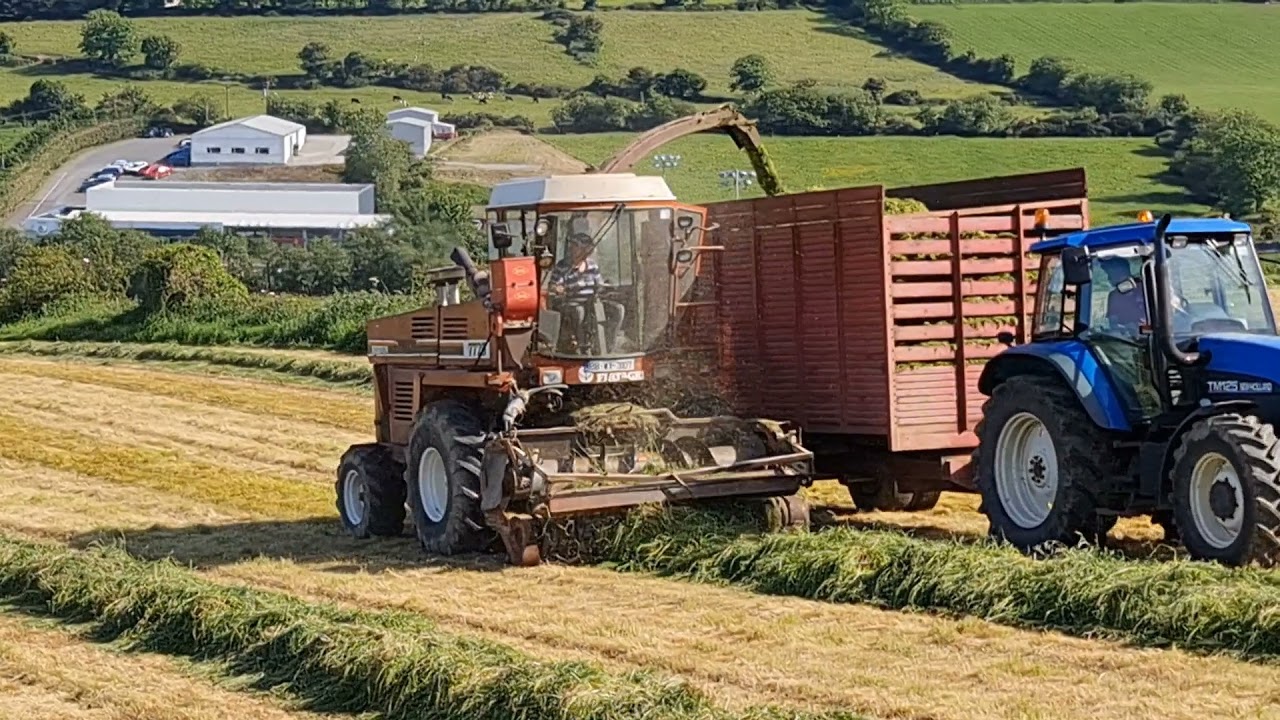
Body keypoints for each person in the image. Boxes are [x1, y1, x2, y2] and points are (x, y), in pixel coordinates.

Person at [546, 232, 625, 353]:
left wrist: (606, 288)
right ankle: (583, 347)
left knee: (618, 309)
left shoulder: (592, 266)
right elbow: (552, 285)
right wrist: (558, 288)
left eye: (576, 245)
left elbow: (599, 285)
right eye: (572, 245)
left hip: (592, 303)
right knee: (579, 311)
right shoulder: (563, 266)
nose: (572, 248)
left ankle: (608, 346)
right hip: (571, 303)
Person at [1100, 256, 1147, 330]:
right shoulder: (1113, 296)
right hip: (1125, 339)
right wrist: (1125, 328)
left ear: (1120, 272)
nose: (1108, 278)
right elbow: (1113, 324)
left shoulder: (1145, 288)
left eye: (1110, 274)